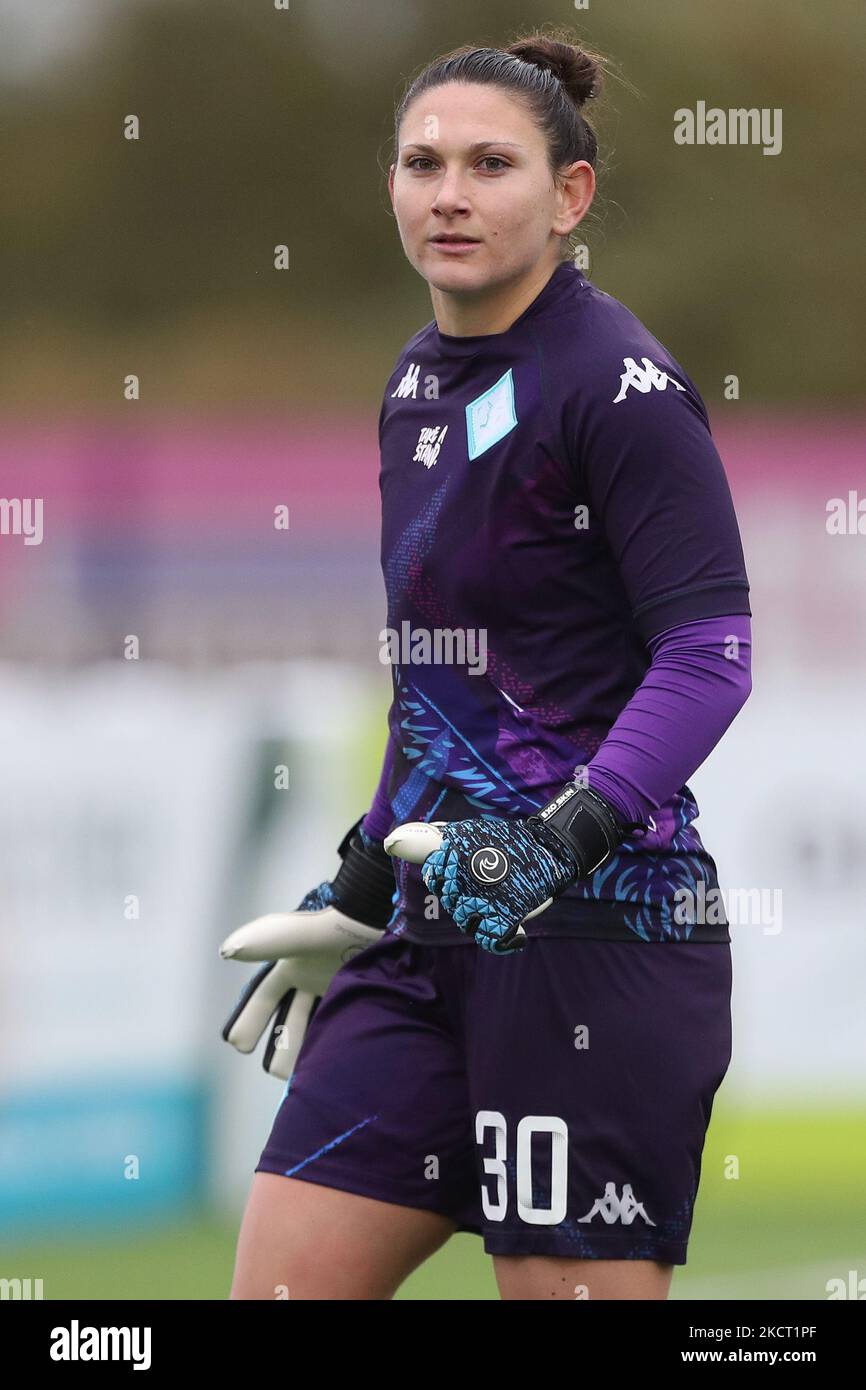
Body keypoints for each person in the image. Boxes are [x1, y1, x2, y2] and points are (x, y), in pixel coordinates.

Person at [227, 29, 752, 1301]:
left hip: (590, 934)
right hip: (423, 932)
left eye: (489, 164)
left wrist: (552, 843)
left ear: (568, 196)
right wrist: (364, 876)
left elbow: (709, 654)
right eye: (421, 162)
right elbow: (441, 692)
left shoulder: (616, 388)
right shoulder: (414, 383)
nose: (447, 192)